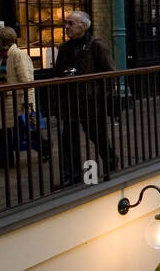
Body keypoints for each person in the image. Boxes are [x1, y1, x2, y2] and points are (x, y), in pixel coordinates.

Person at [50, 10, 116, 184]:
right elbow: (57, 71)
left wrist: (97, 93)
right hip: (69, 100)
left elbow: (110, 72)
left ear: (83, 26)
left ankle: (111, 163)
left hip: (90, 102)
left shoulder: (96, 45)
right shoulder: (64, 48)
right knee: (68, 138)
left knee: (97, 135)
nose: (66, 27)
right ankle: (70, 175)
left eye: (70, 23)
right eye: (66, 23)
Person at [0, 26, 38, 168]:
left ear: (1, 41)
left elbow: (26, 79)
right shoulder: (3, 56)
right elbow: (5, 76)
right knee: (5, 132)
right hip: (4, 101)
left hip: (15, 101)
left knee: (21, 131)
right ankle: (4, 159)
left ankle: (43, 147)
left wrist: (29, 102)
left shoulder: (17, 55)